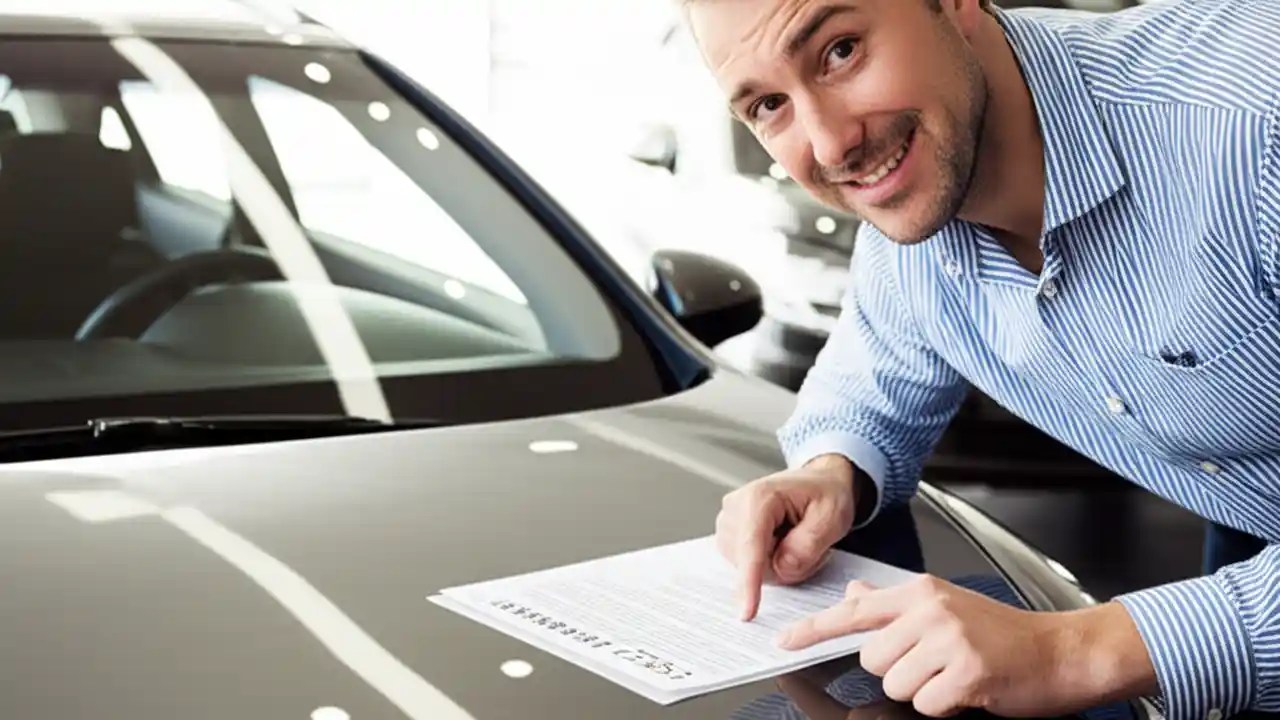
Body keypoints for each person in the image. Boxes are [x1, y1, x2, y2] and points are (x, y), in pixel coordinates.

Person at [688, 0, 1280, 718]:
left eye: (841, 51)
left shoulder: (1253, 122)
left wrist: (1071, 651)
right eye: (770, 103)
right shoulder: (919, 203)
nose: (832, 143)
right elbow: (866, 390)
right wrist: (828, 474)